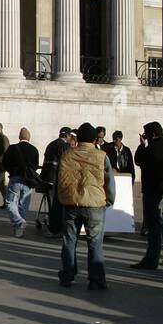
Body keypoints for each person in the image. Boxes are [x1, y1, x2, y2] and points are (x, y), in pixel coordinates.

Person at [56, 121, 115, 290]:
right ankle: (96, 279)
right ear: (94, 139)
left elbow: (60, 180)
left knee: (69, 241)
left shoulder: (67, 155)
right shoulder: (102, 156)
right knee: (95, 243)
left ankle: (67, 275)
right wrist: (109, 200)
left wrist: (62, 198)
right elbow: (109, 181)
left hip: (70, 204)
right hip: (95, 204)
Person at [131, 121, 163, 270]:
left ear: (152, 134)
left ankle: (151, 259)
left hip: (153, 192)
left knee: (154, 227)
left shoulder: (152, 148)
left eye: (146, 134)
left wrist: (141, 145)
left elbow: (138, 160)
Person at [2, 128, 40, 238]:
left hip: (15, 178)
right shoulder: (34, 149)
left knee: (10, 202)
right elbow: (35, 165)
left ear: (19, 137)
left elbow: (5, 163)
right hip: (28, 181)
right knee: (23, 204)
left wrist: (12, 171)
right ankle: (19, 228)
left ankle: (19, 222)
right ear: (29, 138)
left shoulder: (12, 148)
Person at [42, 126, 73, 235]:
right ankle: (55, 229)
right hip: (56, 180)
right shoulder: (64, 146)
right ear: (68, 136)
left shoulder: (51, 144)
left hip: (46, 179)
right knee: (56, 206)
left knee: (52, 206)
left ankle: (52, 227)